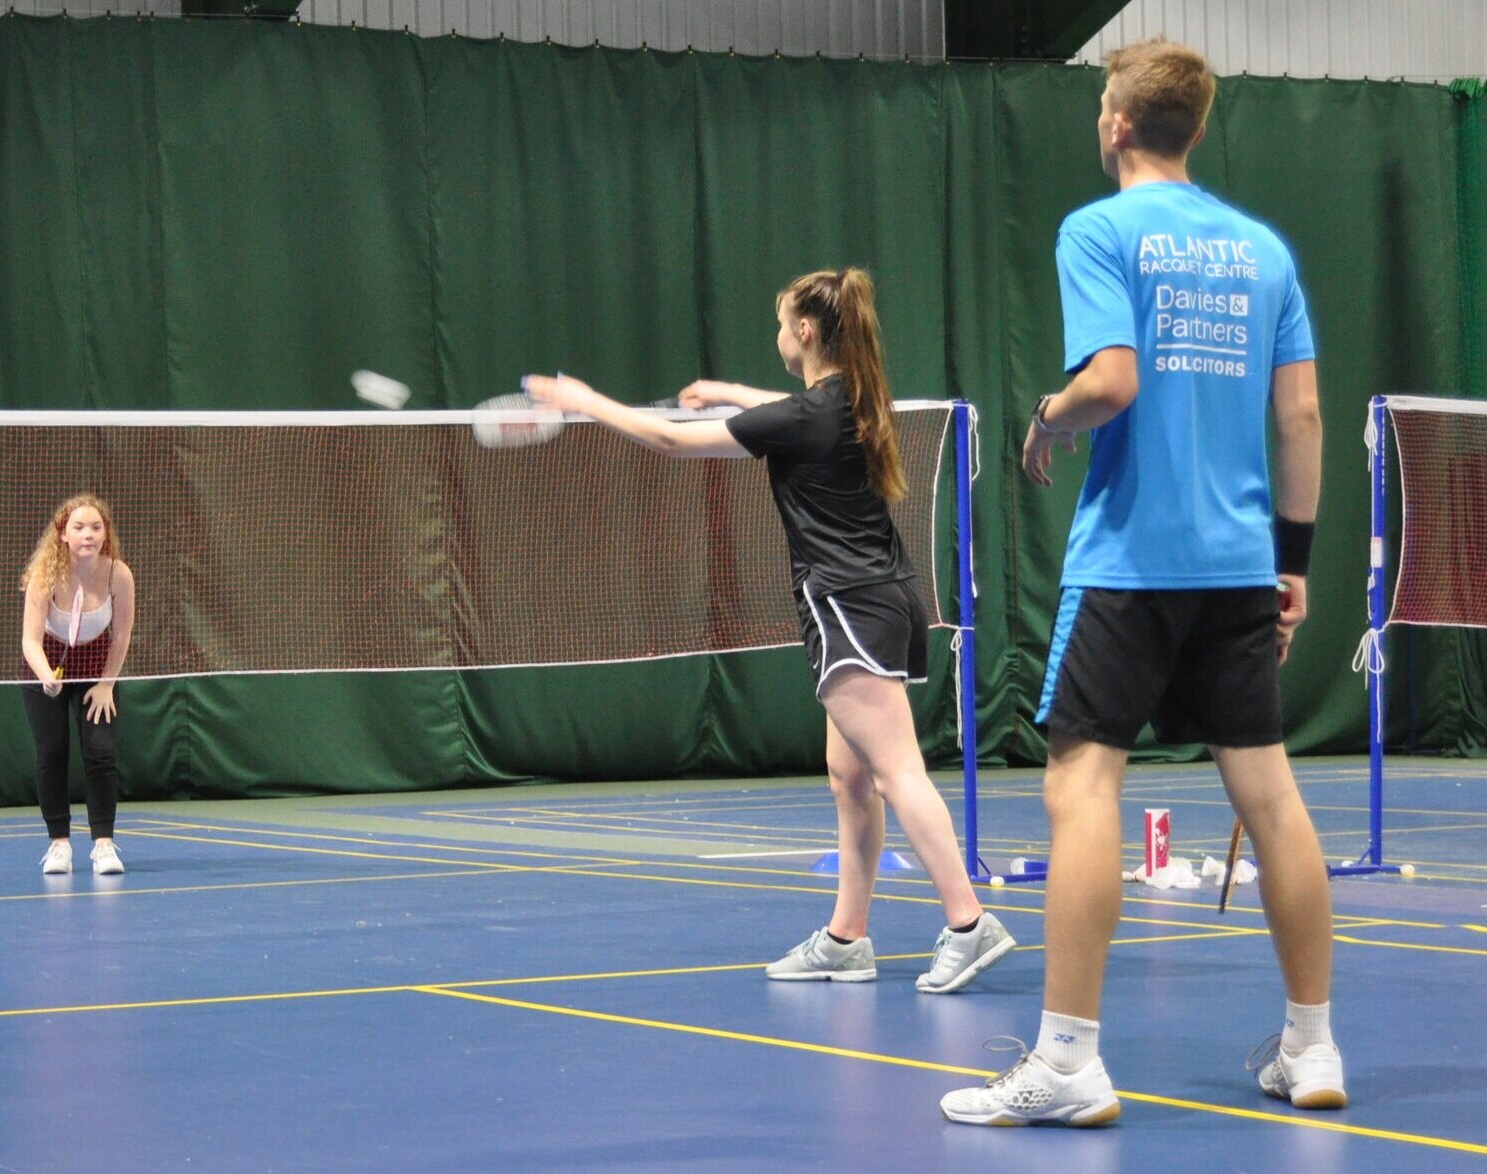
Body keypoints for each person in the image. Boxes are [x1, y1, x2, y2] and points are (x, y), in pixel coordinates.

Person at [940, 39, 1340, 1127]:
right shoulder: (1261, 252)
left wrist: (1045, 416)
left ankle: (1068, 1059)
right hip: (1240, 564)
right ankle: (1311, 1045)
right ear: (1194, 131)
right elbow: (1300, 418)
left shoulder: (1099, 229)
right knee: (1270, 797)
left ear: (1116, 124)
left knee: (1081, 788)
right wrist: (1291, 564)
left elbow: (1111, 381)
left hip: (1127, 561)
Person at [526, 267, 1013, 995]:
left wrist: (584, 400)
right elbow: (791, 409)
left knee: (895, 772)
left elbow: (667, 441)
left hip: (846, 603)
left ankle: (970, 924)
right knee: (852, 779)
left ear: (806, 332)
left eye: (783, 324)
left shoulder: (807, 416)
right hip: (884, 598)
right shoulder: (850, 395)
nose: (778, 335)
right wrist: (725, 393)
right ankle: (847, 938)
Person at [18, 494, 136, 876]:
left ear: (106, 534)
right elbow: (30, 641)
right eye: (79, 527)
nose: (89, 534)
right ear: (63, 534)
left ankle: (103, 846)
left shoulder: (118, 573)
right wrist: (45, 676)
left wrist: (105, 685)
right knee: (51, 753)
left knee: (100, 753)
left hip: (97, 670)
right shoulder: (45, 574)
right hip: (46, 667)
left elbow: (121, 636)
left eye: (96, 527)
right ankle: (59, 846)